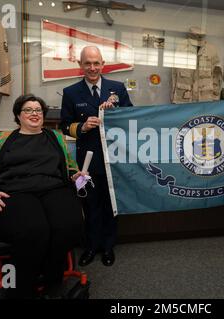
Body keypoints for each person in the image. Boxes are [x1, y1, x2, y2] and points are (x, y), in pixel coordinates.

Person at [0, 94, 86, 298]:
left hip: (54, 188)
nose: (34, 113)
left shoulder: (56, 137)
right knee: (34, 230)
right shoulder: (0, 139)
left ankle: (53, 283)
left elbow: (69, 167)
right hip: (15, 190)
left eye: (38, 110)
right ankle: (21, 289)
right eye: (28, 110)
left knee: (67, 225)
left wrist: (77, 176)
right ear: (18, 115)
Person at [60, 46, 133, 267]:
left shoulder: (117, 88)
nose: (92, 68)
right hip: (87, 163)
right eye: (87, 63)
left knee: (111, 205)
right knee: (90, 205)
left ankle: (108, 247)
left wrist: (115, 112)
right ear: (80, 65)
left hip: (113, 159)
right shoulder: (70, 92)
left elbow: (131, 118)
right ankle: (91, 247)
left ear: (103, 64)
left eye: (96, 63)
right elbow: (64, 126)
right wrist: (82, 126)